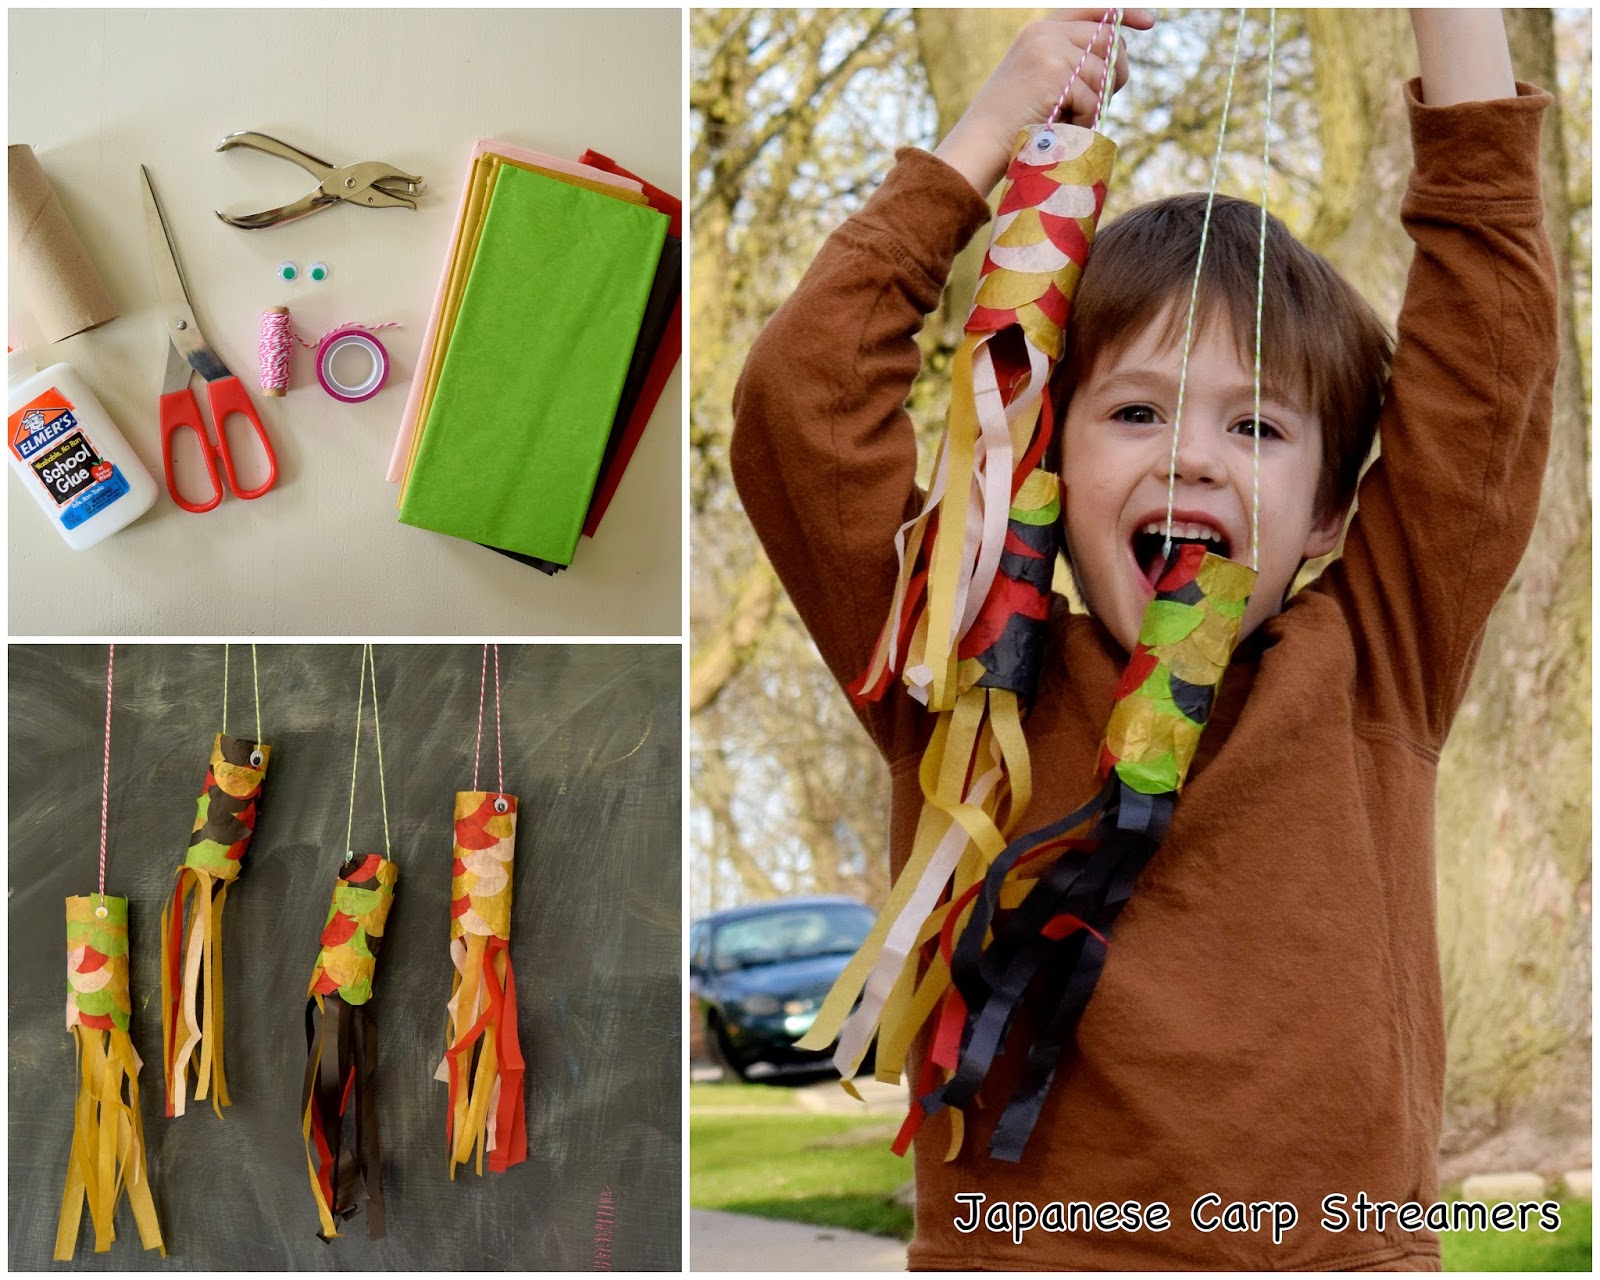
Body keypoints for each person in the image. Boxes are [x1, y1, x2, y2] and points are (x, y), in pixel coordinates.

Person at [730, 7, 1557, 1272]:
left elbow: (1488, 344)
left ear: (1334, 506)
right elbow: (802, 398)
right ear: (1048, 456)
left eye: (1257, 427)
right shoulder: (956, 673)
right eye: (1134, 408)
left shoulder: (1380, 652)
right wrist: (996, 125)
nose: (1189, 455)